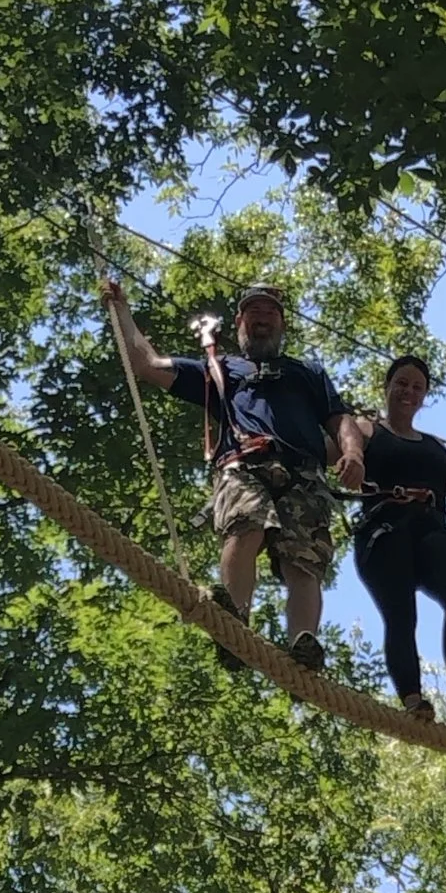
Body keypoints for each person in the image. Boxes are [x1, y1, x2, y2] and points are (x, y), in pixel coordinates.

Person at [99, 277, 360, 671]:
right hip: (244, 464)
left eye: (271, 312)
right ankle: (234, 620)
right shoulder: (219, 370)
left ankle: (304, 643)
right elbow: (146, 364)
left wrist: (353, 453)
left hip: (303, 474)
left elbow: (341, 419)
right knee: (246, 524)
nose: (262, 318)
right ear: (238, 322)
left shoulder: (307, 373)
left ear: (283, 324)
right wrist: (120, 310)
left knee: (303, 561)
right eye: (254, 311)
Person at [346, 353, 446, 725]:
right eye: (401, 383)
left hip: (429, 529)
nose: (408, 392)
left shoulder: (435, 449)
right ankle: (414, 701)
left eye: (417, 387)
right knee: (401, 613)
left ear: (424, 397)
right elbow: (339, 444)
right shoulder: (367, 430)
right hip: (384, 531)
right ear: (387, 388)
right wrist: (349, 455)